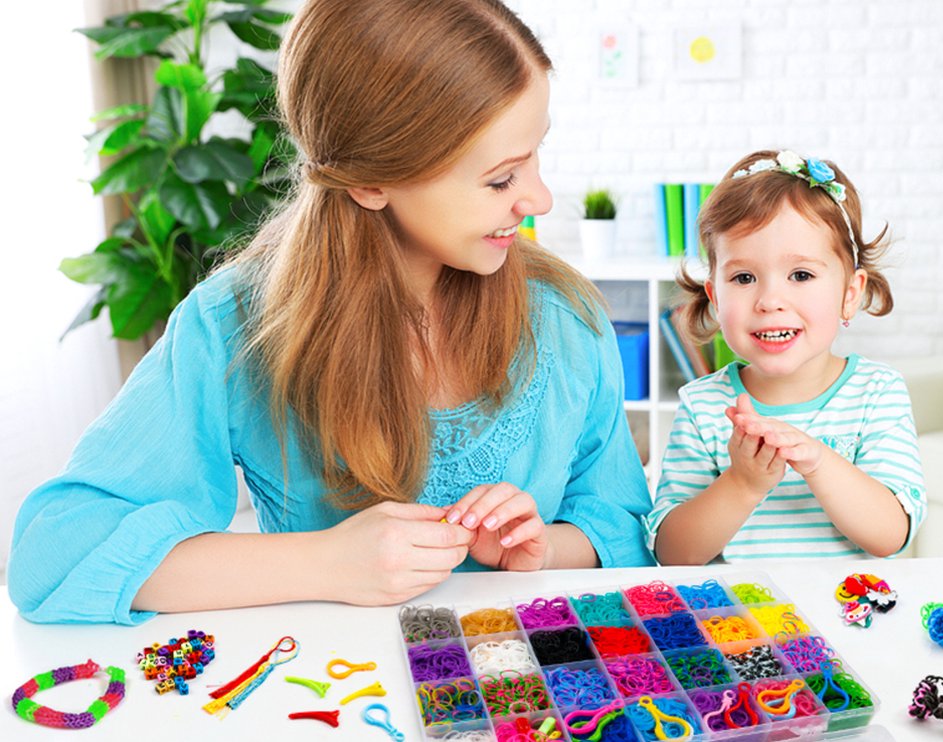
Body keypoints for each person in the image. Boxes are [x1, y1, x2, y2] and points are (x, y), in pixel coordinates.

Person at [8, 0, 654, 625]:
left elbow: (621, 523)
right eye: (499, 179)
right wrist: (324, 563)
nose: (538, 198)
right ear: (370, 182)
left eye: (535, 154)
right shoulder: (233, 325)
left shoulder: (567, 319)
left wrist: (542, 550)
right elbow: (54, 555)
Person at [647, 149, 926, 564]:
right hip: (735, 621)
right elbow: (673, 554)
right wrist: (743, 483)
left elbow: (891, 535)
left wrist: (818, 462)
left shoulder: (876, 394)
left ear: (850, 295)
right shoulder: (704, 405)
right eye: (744, 278)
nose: (770, 300)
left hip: (846, 618)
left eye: (801, 275)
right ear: (715, 298)